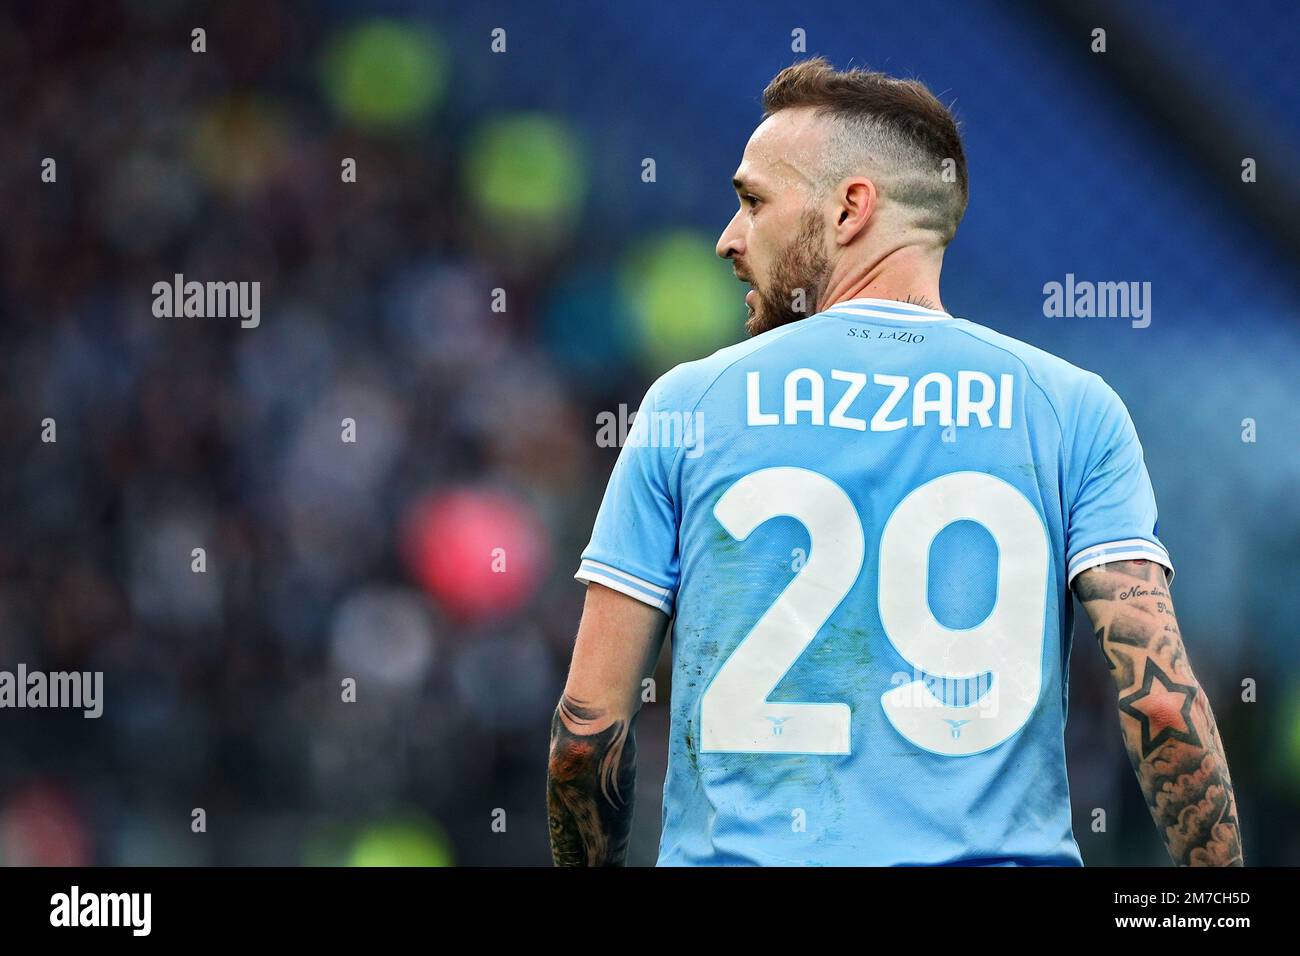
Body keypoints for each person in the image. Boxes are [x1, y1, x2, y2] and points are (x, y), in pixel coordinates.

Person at [547, 57, 1241, 867]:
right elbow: (1160, 707)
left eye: (751, 200)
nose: (727, 239)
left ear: (850, 210)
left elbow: (584, 737)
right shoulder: (1072, 409)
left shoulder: (688, 406)